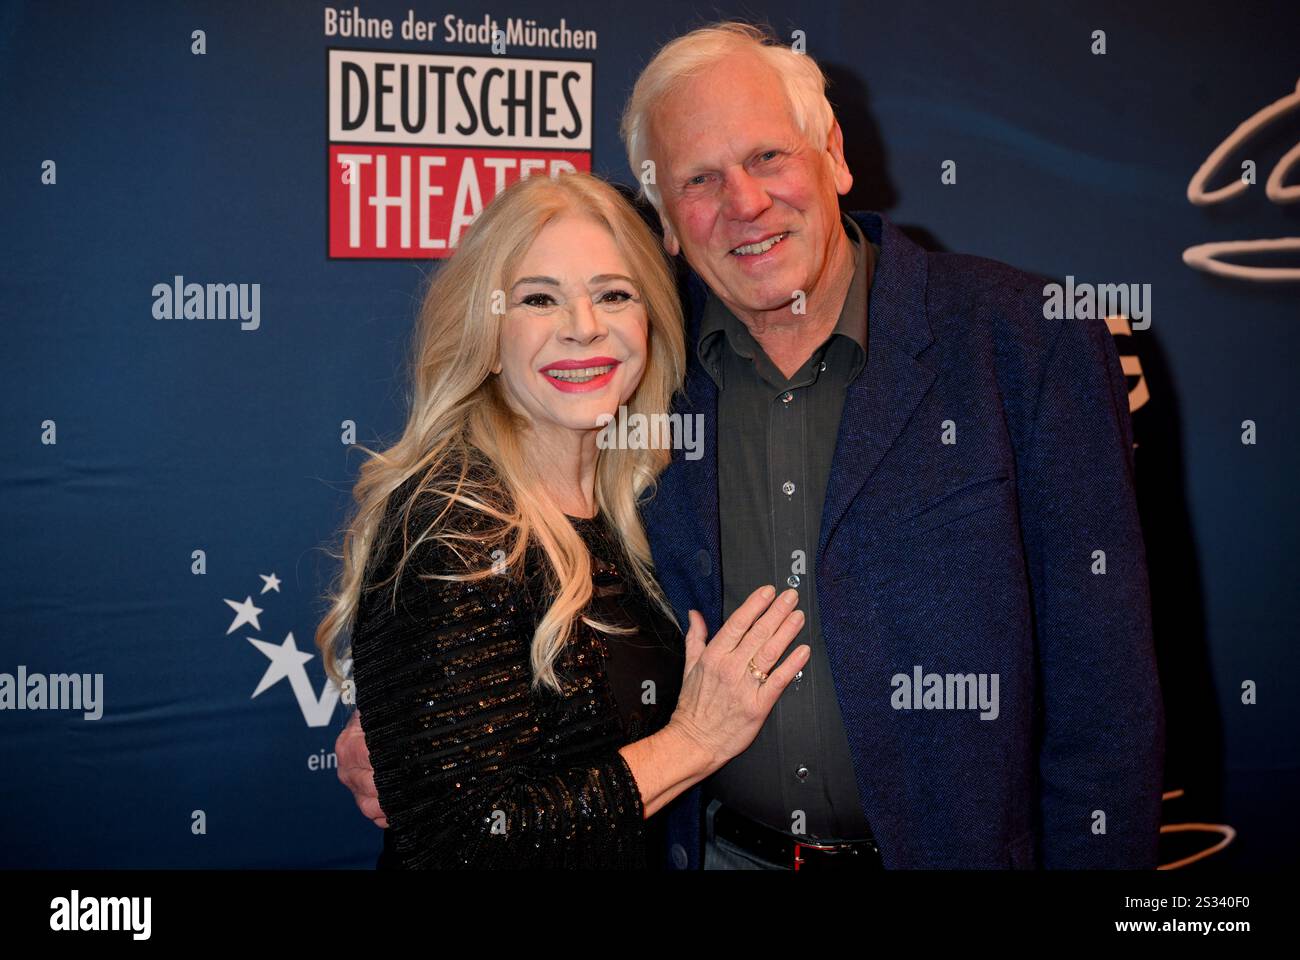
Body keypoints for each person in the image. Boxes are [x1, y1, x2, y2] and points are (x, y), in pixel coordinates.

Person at [338, 22, 1165, 870]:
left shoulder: (1023, 340)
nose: (743, 203)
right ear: (664, 213)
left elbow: (1107, 694)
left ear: (833, 155)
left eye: (768, 156)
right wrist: (422, 729)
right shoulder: (635, 360)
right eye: (699, 178)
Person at [315, 170, 810, 869]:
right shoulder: (454, 525)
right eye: (539, 299)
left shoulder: (633, 500)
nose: (583, 328)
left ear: (651, 324)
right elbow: (466, 839)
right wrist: (695, 740)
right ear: (486, 336)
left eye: (613, 294)